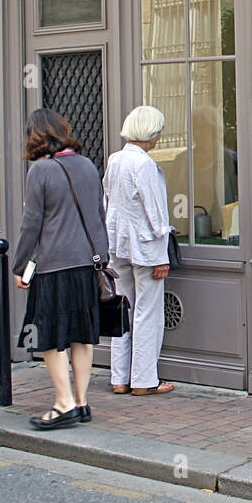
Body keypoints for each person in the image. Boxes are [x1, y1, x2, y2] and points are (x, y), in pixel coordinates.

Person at [13, 108, 103, 429]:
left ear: (35, 136)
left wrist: (20, 265)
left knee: (49, 336)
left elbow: (31, 225)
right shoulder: (88, 165)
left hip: (53, 267)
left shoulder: (40, 170)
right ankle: (81, 402)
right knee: (82, 336)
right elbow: (97, 215)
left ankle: (63, 404)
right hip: (87, 265)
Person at [104, 105, 174, 396]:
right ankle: (144, 380)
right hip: (144, 248)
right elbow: (156, 214)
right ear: (151, 133)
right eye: (158, 132)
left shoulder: (115, 159)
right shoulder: (144, 164)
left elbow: (107, 200)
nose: (159, 138)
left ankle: (119, 378)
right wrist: (162, 256)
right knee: (147, 312)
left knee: (123, 310)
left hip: (117, 246)